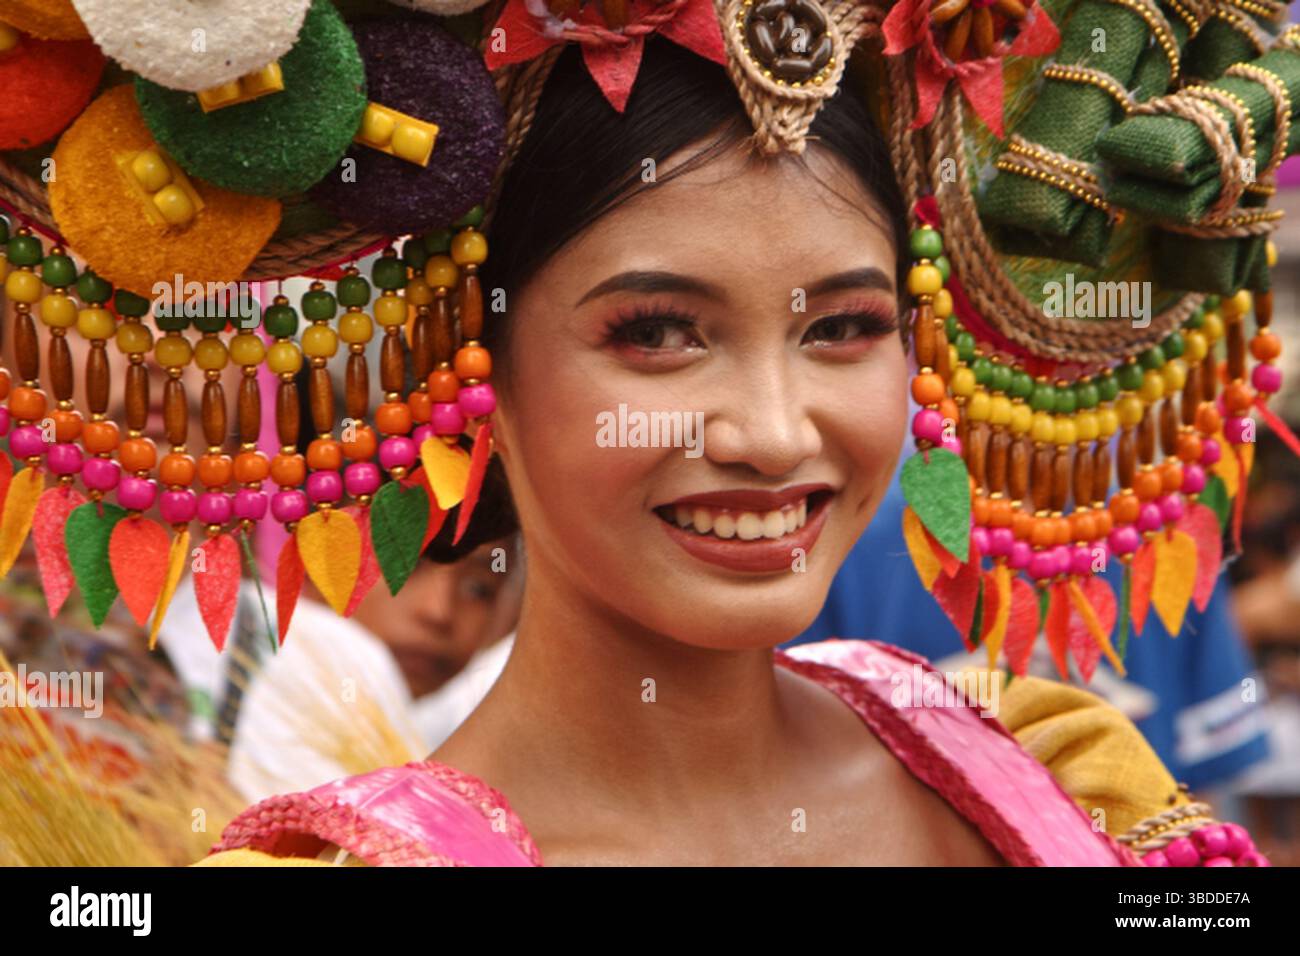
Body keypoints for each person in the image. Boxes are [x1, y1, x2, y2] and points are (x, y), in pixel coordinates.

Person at [195, 15, 1277, 867]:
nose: (771, 431)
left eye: (841, 328)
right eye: (657, 332)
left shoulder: (1052, 774)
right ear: (472, 367)